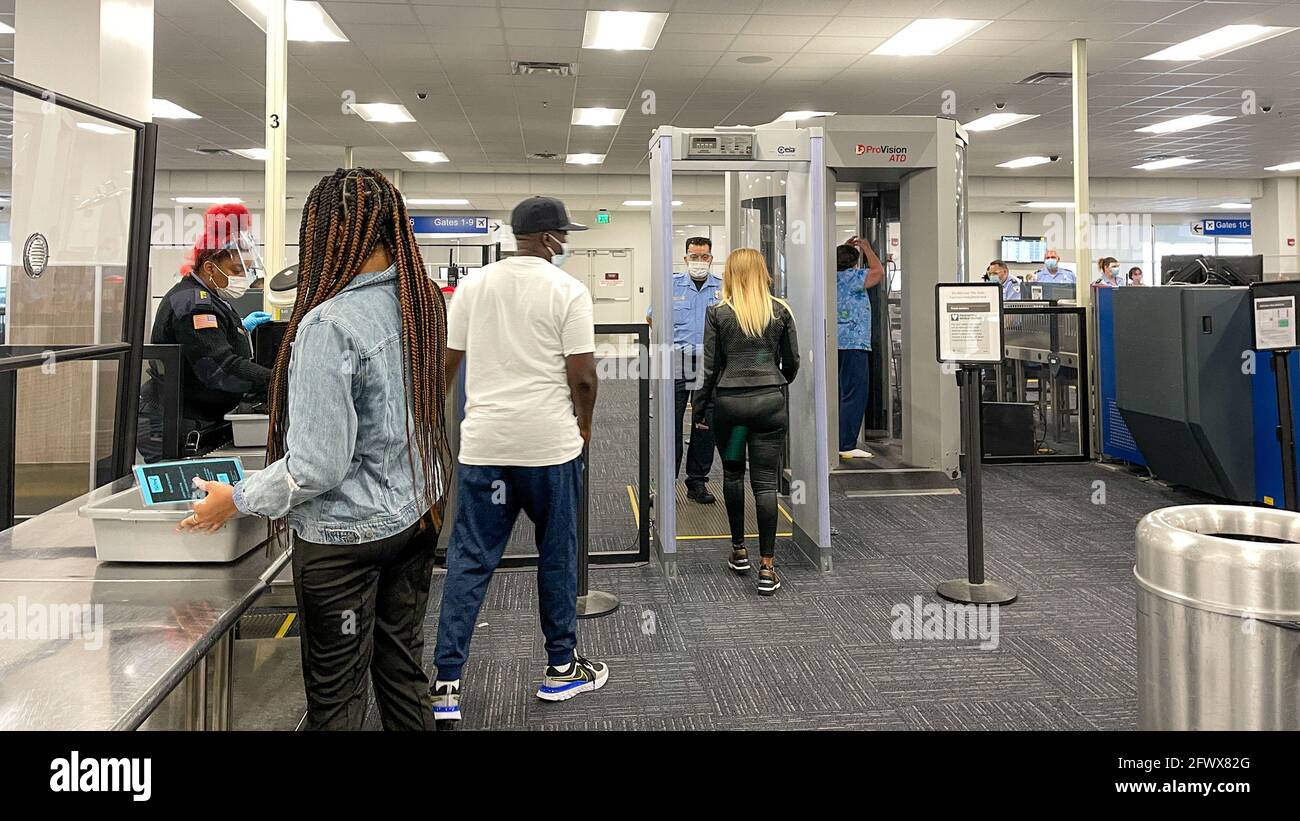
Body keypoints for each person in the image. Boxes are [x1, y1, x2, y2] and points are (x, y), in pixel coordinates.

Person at [180, 169, 454, 731]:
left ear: (331, 234)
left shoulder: (329, 325)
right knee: (403, 673)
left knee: (337, 700)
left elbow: (317, 466)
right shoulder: (421, 301)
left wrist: (234, 499)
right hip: (414, 514)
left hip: (343, 543)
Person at [431, 195, 604, 726]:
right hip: (549, 450)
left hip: (485, 448)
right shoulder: (569, 290)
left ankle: (446, 683)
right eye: (563, 235)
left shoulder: (473, 287)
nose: (565, 243)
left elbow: (448, 365)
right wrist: (585, 424)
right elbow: (583, 376)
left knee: (469, 559)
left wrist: (440, 429)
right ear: (549, 238)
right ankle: (559, 669)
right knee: (557, 556)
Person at [693, 248, 799, 596]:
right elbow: (792, 363)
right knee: (766, 485)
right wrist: (772, 382)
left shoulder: (718, 312)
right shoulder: (781, 311)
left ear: (730, 275)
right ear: (762, 273)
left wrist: (699, 408)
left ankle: (739, 550)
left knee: (734, 475)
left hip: (732, 408)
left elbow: (709, 367)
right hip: (770, 403)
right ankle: (767, 567)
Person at [137, 203, 273, 461]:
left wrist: (241, 329)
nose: (242, 278)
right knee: (179, 495)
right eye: (236, 271)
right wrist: (276, 379)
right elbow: (220, 366)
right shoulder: (193, 304)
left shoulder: (211, 298)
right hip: (173, 421)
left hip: (196, 417)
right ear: (210, 267)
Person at [646, 237, 721, 504]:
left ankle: (697, 482)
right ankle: (666, 483)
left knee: (705, 425)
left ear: (711, 258)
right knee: (671, 425)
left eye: (704, 257)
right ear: (685, 257)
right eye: (694, 256)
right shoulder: (671, 285)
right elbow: (652, 316)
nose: (699, 262)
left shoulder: (722, 289)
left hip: (709, 366)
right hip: (677, 363)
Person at [835, 236, 884, 459]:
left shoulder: (829, 277)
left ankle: (834, 439)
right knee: (855, 394)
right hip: (854, 342)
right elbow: (878, 272)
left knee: (838, 394)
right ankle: (846, 444)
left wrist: (844, 250)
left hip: (832, 343)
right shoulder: (853, 277)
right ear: (854, 263)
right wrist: (866, 248)